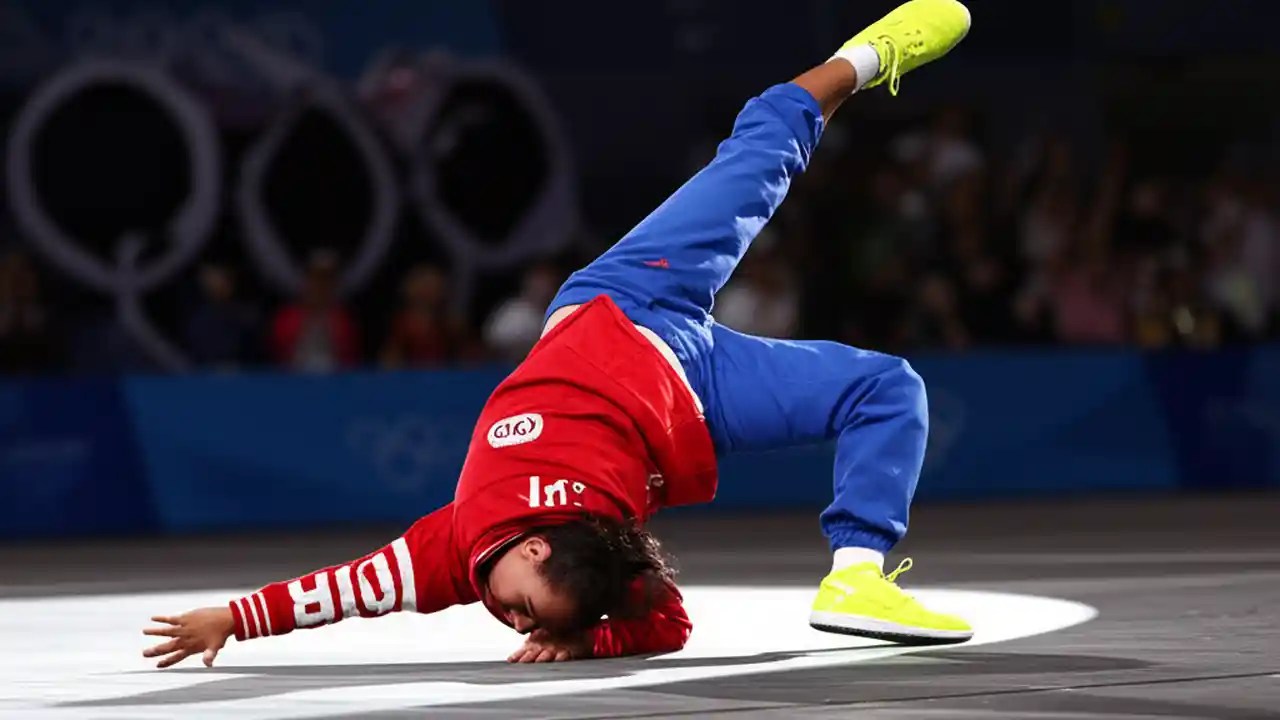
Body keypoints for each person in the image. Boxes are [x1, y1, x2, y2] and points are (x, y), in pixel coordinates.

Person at [142, 0, 973, 669]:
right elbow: (667, 622)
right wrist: (590, 636)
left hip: (634, 312)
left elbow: (345, 590)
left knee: (779, 188)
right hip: (686, 386)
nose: (509, 619)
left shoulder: (461, 545)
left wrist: (235, 618)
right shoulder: (530, 555)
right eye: (528, 614)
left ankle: (864, 59)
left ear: (537, 544)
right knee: (883, 379)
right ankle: (857, 577)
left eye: (525, 612)